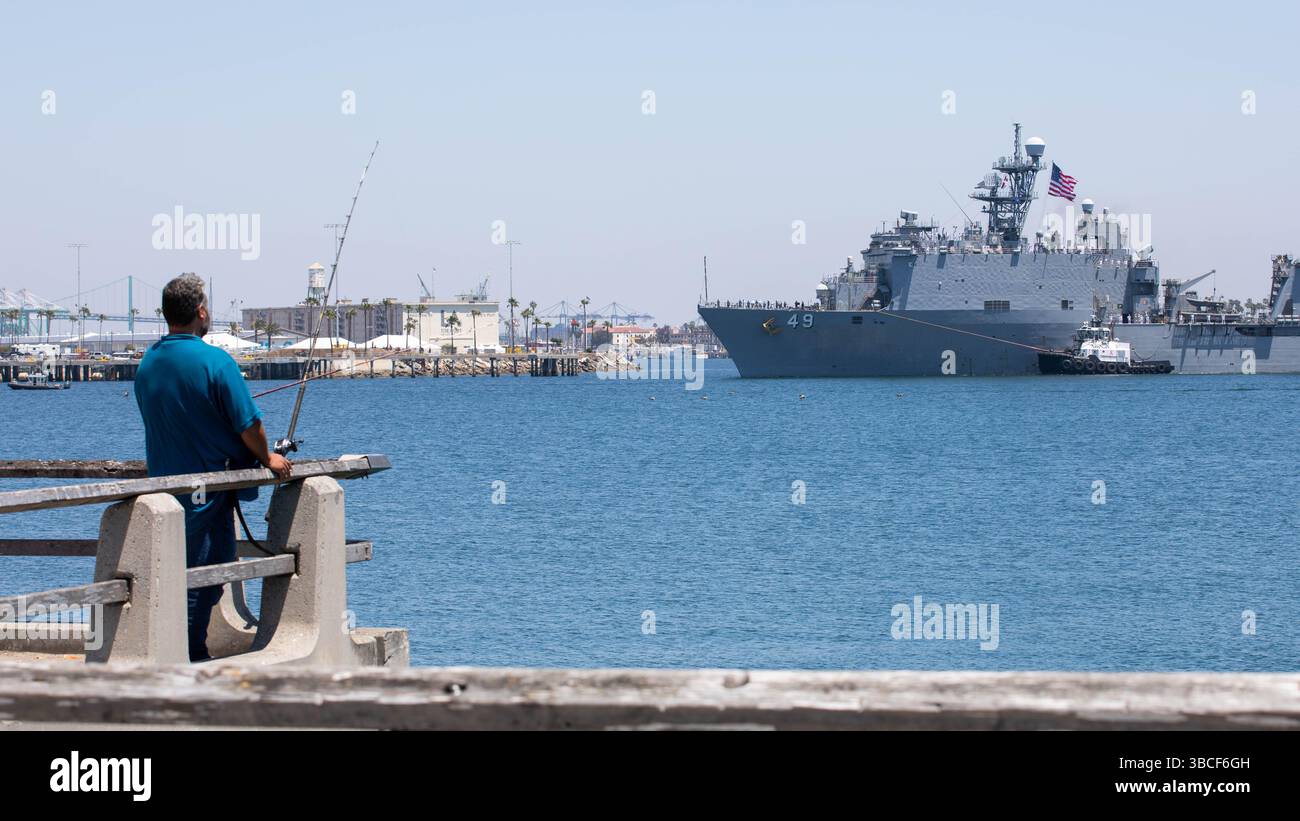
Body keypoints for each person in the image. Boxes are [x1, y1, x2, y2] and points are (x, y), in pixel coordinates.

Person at [134, 274, 292, 661]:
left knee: (185, 574)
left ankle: (184, 650)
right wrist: (268, 458)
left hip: (165, 490)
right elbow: (249, 424)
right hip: (211, 492)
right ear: (201, 312)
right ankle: (189, 655)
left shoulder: (149, 362)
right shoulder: (216, 362)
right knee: (204, 576)